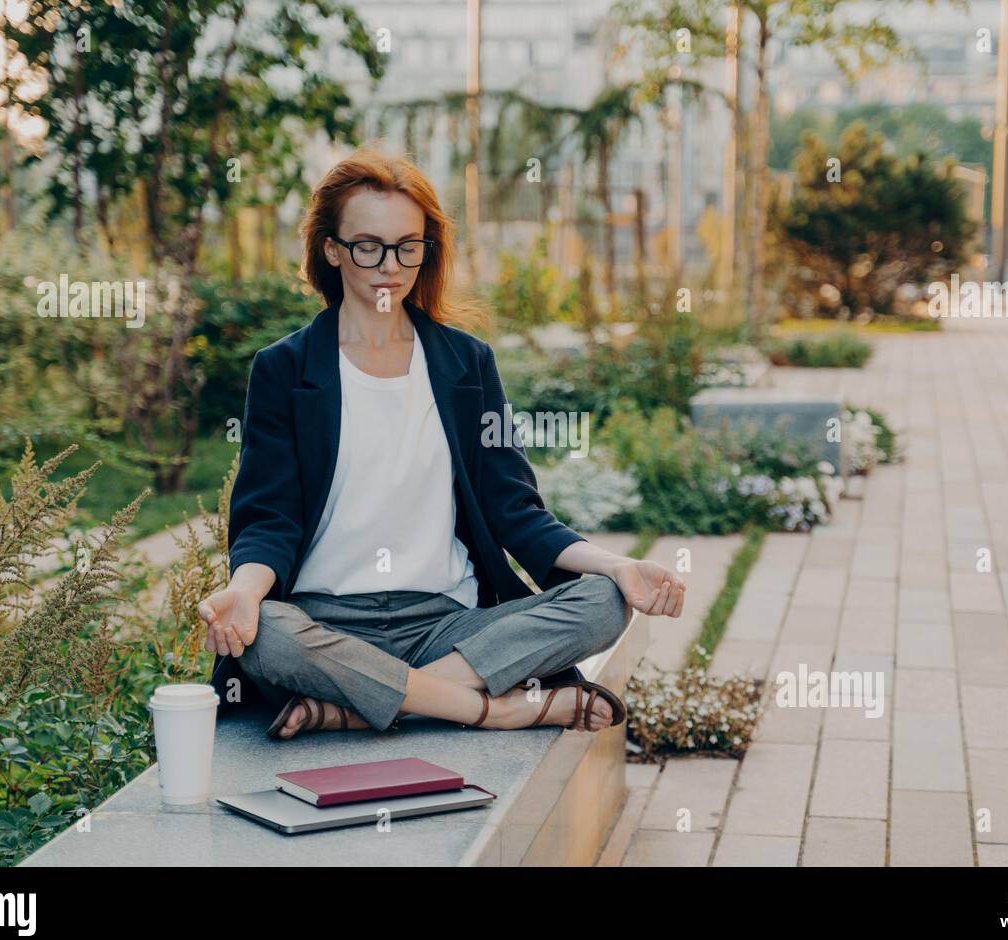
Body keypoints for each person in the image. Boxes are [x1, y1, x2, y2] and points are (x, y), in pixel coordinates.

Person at [198, 148, 685, 740]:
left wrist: (618, 565)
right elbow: (267, 518)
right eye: (367, 245)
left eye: (409, 245)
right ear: (331, 249)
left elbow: (514, 509)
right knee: (267, 634)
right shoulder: (283, 369)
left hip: (444, 624)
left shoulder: (466, 364)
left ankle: (361, 705)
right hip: (323, 625)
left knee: (605, 603)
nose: (390, 266)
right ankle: (487, 707)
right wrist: (243, 593)